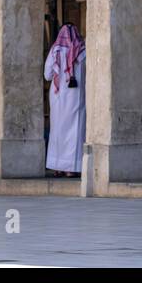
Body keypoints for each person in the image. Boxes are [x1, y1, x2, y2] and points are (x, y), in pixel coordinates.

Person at [44, 24, 86, 177]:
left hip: (58, 97)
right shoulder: (82, 52)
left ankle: (57, 166)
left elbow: (47, 75)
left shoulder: (55, 51)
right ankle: (71, 168)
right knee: (74, 132)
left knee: (58, 131)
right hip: (76, 97)